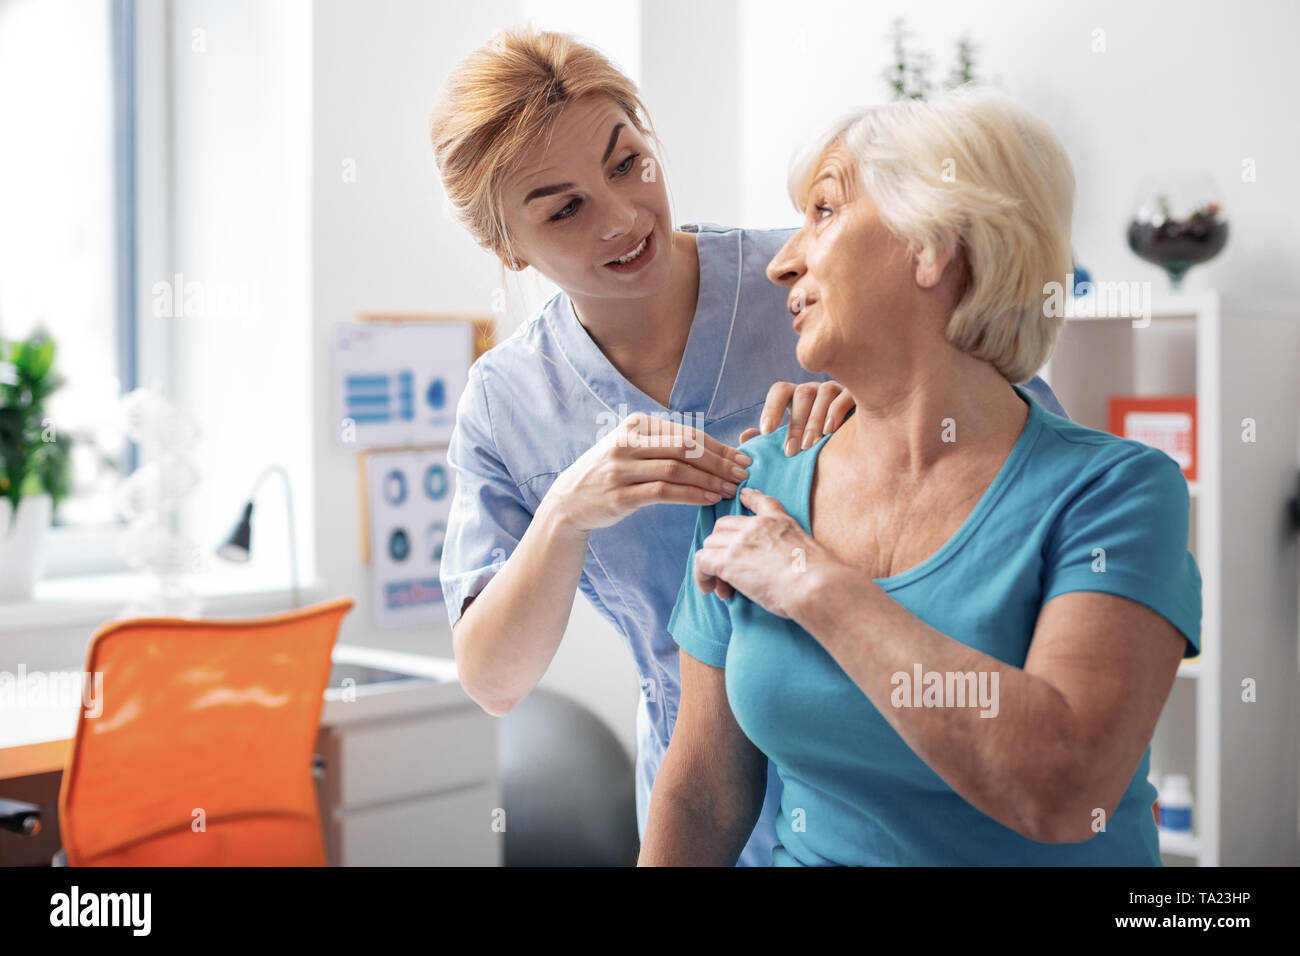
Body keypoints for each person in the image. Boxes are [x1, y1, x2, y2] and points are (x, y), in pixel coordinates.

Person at [428, 28, 1069, 866]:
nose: (623, 219)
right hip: (700, 798)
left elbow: (1028, 444)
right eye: (565, 209)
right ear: (507, 246)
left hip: (893, 772)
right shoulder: (510, 402)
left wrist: (894, 397)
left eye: (627, 164)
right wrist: (565, 513)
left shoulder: (814, 284)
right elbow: (494, 680)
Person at [642, 87, 1200, 866]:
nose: (782, 261)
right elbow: (703, 791)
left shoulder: (1115, 493)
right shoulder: (758, 482)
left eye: (826, 211)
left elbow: (1067, 787)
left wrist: (816, 585)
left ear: (933, 243)